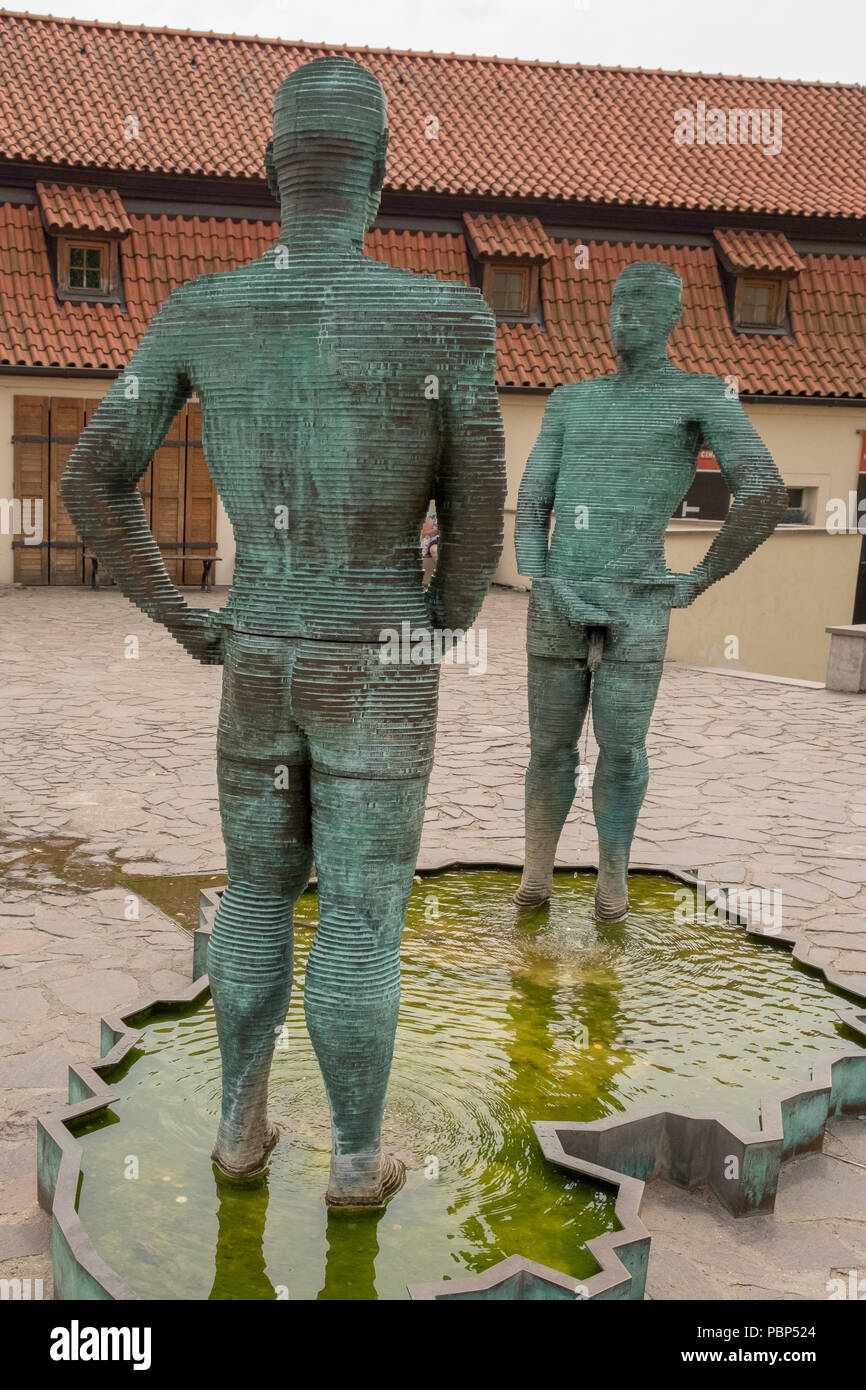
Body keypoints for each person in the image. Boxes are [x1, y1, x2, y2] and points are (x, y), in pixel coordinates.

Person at [63, 57, 505, 1207]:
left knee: (257, 894)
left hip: (257, 641)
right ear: (378, 180)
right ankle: (356, 1160)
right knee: (360, 912)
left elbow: (91, 479)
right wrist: (433, 629)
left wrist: (180, 619)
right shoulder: (447, 317)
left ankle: (236, 1129)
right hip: (377, 647)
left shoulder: (200, 309)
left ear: (271, 171)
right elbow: (474, 525)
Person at [514, 261, 786, 921]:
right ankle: (535, 872)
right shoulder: (571, 400)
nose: (624, 317)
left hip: (638, 598)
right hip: (560, 595)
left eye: (641, 306)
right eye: (617, 304)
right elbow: (530, 502)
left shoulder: (701, 398)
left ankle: (612, 876)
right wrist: (543, 579)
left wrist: (698, 577)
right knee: (548, 745)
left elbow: (766, 492)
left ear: (673, 317)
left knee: (622, 744)